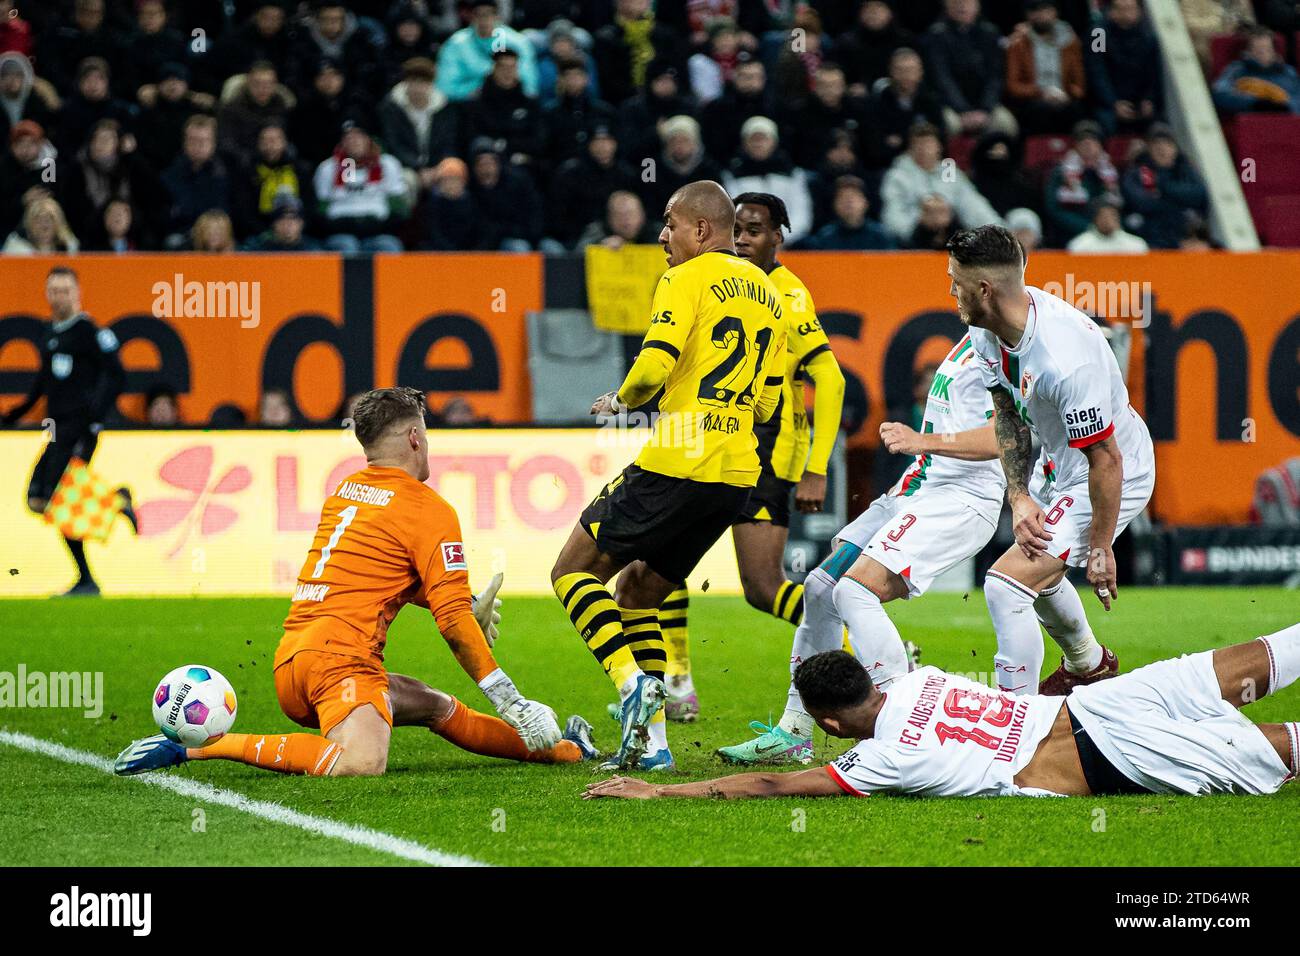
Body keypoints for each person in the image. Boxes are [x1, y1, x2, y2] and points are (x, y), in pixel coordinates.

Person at [115, 387, 595, 778]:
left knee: (431, 704)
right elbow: (450, 622)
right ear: (413, 437)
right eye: (425, 434)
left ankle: (568, 749)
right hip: (341, 665)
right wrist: (510, 699)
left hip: (293, 662)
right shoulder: (428, 509)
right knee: (361, 763)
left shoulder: (345, 493)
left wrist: (465, 602)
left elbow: (382, 578)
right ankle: (198, 748)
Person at [550, 181, 787, 772]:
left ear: (702, 230)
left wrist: (621, 397)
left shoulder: (683, 279)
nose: (661, 236)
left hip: (679, 459)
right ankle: (654, 747)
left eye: (670, 224)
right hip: (736, 474)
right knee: (638, 593)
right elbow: (768, 402)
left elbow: (654, 363)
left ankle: (631, 684)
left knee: (571, 572)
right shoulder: (770, 293)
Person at [587, 622, 1300, 800]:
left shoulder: (878, 760)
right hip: (1094, 706)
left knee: (1274, 749)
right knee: (1222, 670)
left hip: (1090, 757)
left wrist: (660, 790)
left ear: (831, 725)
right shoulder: (924, 678)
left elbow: (773, 784)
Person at [719, 331, 1002, 764]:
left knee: (854, 591)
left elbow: (1005, 437)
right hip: (913, 489)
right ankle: (794, 733)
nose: (951, 288)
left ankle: (901, 731)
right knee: (818, 587)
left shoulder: (1008, 345)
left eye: (957, 277)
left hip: (960, 499)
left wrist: (923, 442)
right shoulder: (972, 338)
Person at [950, 225, 1155, 695]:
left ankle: (1014, 729)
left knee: (1006, 585)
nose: (950, 290)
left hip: (1110, 469)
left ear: (984, 289)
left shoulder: (1064, 360)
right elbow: (1007, 416)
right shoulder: (988, 329)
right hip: (1064, 465)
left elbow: (1106, 458)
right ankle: (1088, 665)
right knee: (1039, 577)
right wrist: (1019, 497)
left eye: (956, 280)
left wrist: (1101, 548)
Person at [666, 192, 845, 726]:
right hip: (717, 440)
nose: (743, 239)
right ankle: (676, 681)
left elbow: (830, 379)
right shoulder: (729, 283)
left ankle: (869, 649)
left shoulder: (788, 295)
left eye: (755, 230)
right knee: (657, 558)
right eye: (737, 229)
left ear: (777, 237)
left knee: (763, 589)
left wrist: (815, 467)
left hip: (766, 448)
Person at [0, 267, 138, 596]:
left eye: (65, 290)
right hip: (57, 428)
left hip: (80, 428)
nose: (59, 296)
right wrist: (14, 414)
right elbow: (43, 382)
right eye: (54, 290)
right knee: (37, 499)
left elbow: (117, 375)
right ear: (46, 294)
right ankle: (116, 503)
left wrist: (95, 418)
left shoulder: (90, 332)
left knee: (58, 498)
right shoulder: (50, 332)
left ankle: (86, 579)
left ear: (77, 294)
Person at [880, 123, 1003, 244]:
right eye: (918, 144)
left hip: (952, 235)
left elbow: (973, 204)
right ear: (910, 148)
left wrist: (997, 231)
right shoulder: (898, 175)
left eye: (929, 144)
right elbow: (893, 213)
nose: (923, 149)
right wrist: (916, 228)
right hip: (914, 238)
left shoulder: (949, 171)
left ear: (939, 146)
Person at [312, 118, 409, 253]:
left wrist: (381, 225)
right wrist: (341, 225)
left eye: (359, 136)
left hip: (377, 228)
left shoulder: (387, 164)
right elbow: (320, 209)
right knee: (347, 246)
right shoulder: (328, 168)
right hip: (341, 228)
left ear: (369, 139)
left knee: (389, 246)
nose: (354, 141)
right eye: (348, 137)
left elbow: (398, 207)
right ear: (342, 141)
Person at [1119, 123, 1208, 249]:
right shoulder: (1138, 172)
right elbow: (1141, 202)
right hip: (1148, 239)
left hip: (1183, 238)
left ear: (1175, 148)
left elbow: (1198, 195)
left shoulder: (1185, 170)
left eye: (1167, 144)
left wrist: (1163, 188)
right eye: (1156, 144)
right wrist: (1179, 202)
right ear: (1149, 149)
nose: (1162, 149)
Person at [1004, 0, 1087, 134]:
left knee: (1077, 110)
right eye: (1036, 11)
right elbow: (1013, 86)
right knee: (1039, 111)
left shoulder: (1071, 41)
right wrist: (1041, 92)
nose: (1041, 15)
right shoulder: (1018, 43)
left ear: (1055, 12)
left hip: (1064, 96)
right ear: (1028, 15)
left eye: (1046, 10)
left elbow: (1079, 84)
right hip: (1033, 98)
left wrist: (1067, 94)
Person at [436, 0, 537, 102]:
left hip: (511, 101)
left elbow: (530, 88)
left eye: (489, 14)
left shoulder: (518, 42)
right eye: (478, 14)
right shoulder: (456, 44)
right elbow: (446, 88)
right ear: (471, 17)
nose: (484, 20)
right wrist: (479, 89)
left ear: (497, 16)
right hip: (471, 103)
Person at [1212, 27, 1300, 114]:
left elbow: (1298, 98)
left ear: (1274, 51)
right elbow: (1219, 94)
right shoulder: (1236, 69)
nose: (1262, 53)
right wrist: (1255, 103)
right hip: (1250, 121)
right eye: (1257, 49)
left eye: (1266, 49)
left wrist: (1284, 106)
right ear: (1248, 52)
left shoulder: (1288, 72)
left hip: (1285, 121)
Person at [799, 174, 895, 250]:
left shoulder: (881, 237)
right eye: (843, 198)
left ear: (866, 203)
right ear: (834, 205)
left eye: (854, 197)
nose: (849, 203)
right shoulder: (824, 238)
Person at [1067, 198, 1149, 252]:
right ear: (1095, 219)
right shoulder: (1080, 245)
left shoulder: (1136, 245)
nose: (1109, 220)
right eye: (1104, 216)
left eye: (1113, 215)